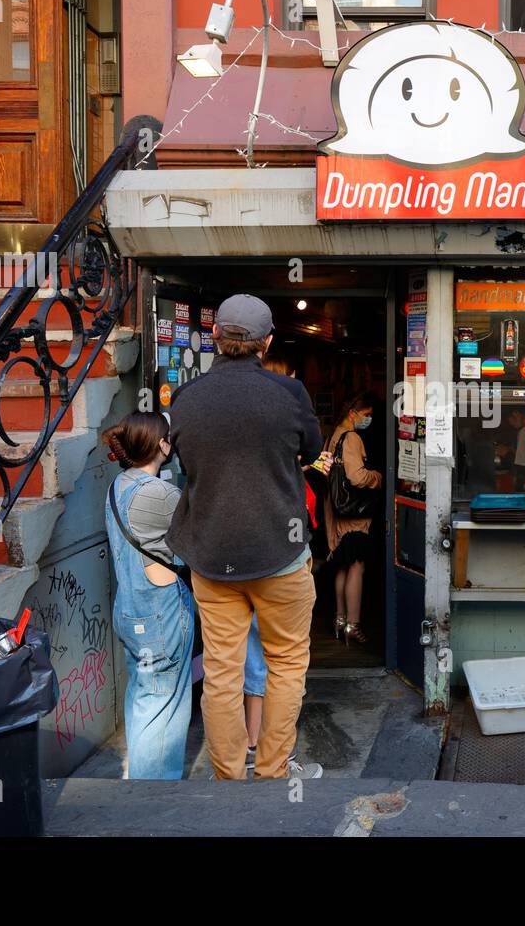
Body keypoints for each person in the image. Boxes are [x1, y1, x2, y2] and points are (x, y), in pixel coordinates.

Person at [167, 294, 326, 782]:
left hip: (213, 556)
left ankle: (229, 779)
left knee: (221, 672)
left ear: (215, 337)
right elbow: (312, 449)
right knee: (286, 664)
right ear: (267, 342)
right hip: (280, 552)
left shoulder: (186, 397)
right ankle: (274, 771)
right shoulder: (289, 394)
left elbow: (186, 465)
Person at [101, 411, 196, 780]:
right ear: (161, 444)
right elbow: (202, 526)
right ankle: (151, 800)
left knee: (143, 698)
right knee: (164, 706)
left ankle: (138, 783)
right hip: (159, 612)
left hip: (130, 609)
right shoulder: (158, 493)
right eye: (169, 437)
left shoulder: (119, 486)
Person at [326, 392, 384, 646]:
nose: (368, 419)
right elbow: (356, 477)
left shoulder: (334, 435)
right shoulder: (351, 437)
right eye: (367, 415)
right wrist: (378, 477)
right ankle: (353, 624)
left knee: (343, 565)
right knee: (357, 567)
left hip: (336, 511)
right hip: (353, 514)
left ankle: (340, 620)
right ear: (354, 413)